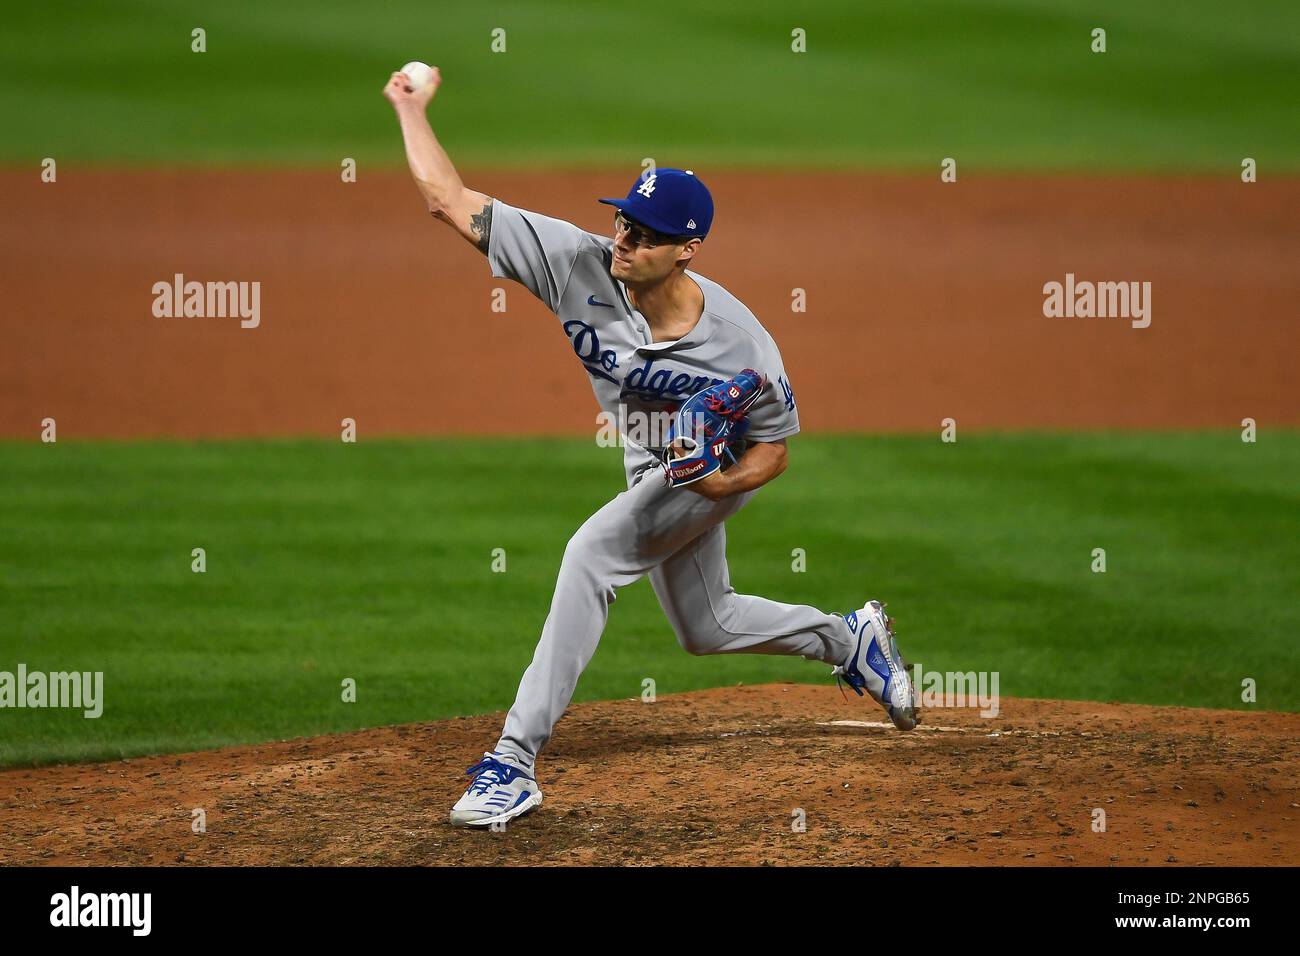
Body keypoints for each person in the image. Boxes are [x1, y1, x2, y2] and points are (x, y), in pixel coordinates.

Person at [382, 67, 917, 829]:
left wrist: (717, 484)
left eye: (643, 234)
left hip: (710, 471)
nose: (622, 239)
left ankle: (512, 761)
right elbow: (448, 199)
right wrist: (410, 107)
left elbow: (775, 451)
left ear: (687, 249)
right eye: (623, 222)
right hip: (655, 464)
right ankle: (848, 638)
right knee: (707, 626)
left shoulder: (743, 347)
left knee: (591, 555)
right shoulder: (577, 262)